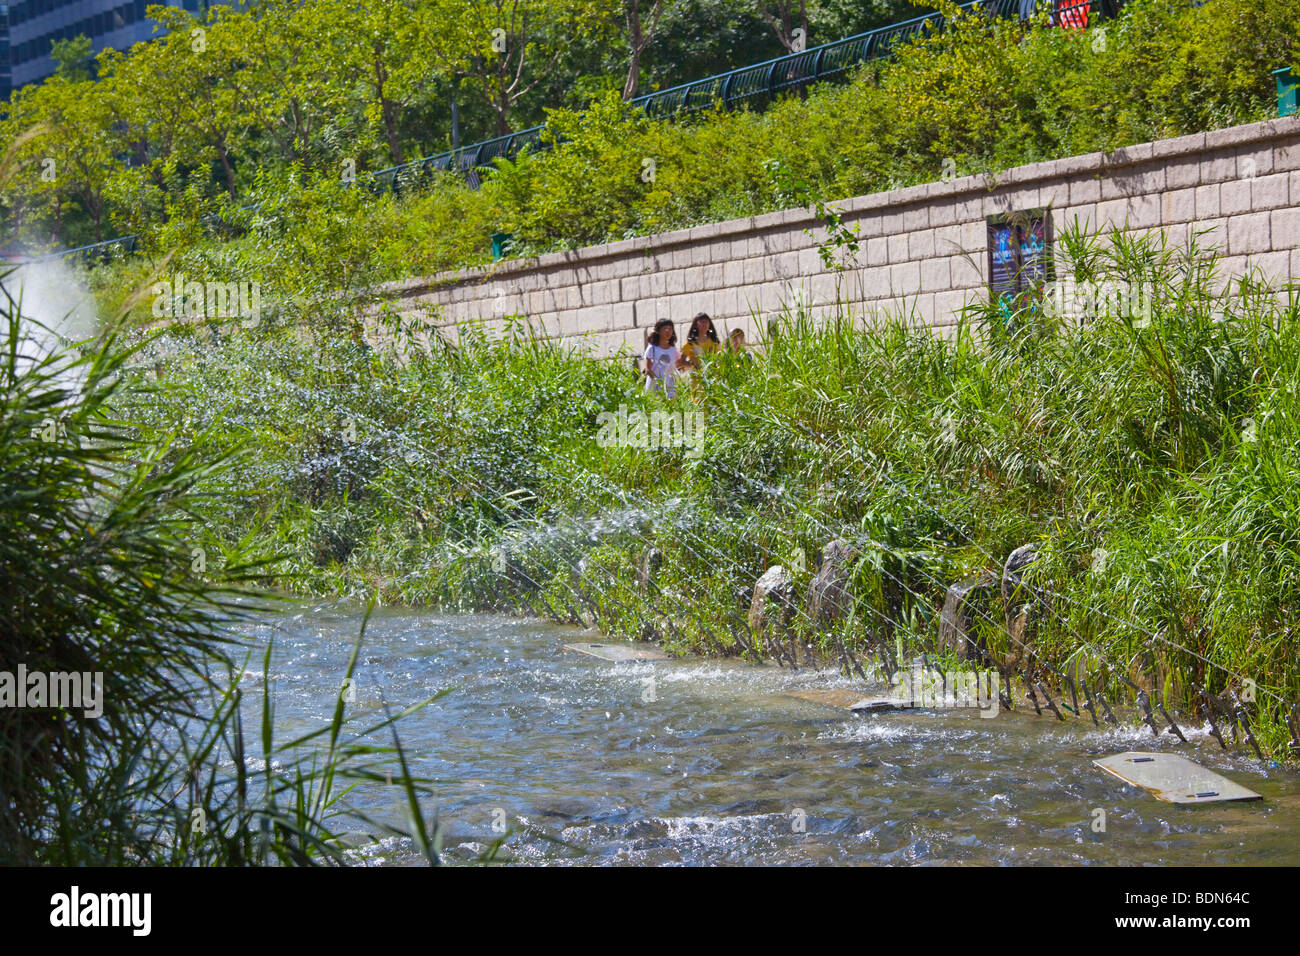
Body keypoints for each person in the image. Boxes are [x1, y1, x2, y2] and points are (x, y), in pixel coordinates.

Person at [643, 318, 680, 398]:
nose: (668, 331)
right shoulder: (652, 348)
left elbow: (677, 367)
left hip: (669, 386)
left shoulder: (673, 350)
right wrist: (659, 383)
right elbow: (648, 370)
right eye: (665, 329)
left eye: (670, 329)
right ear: (658, 331)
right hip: (654, 385)